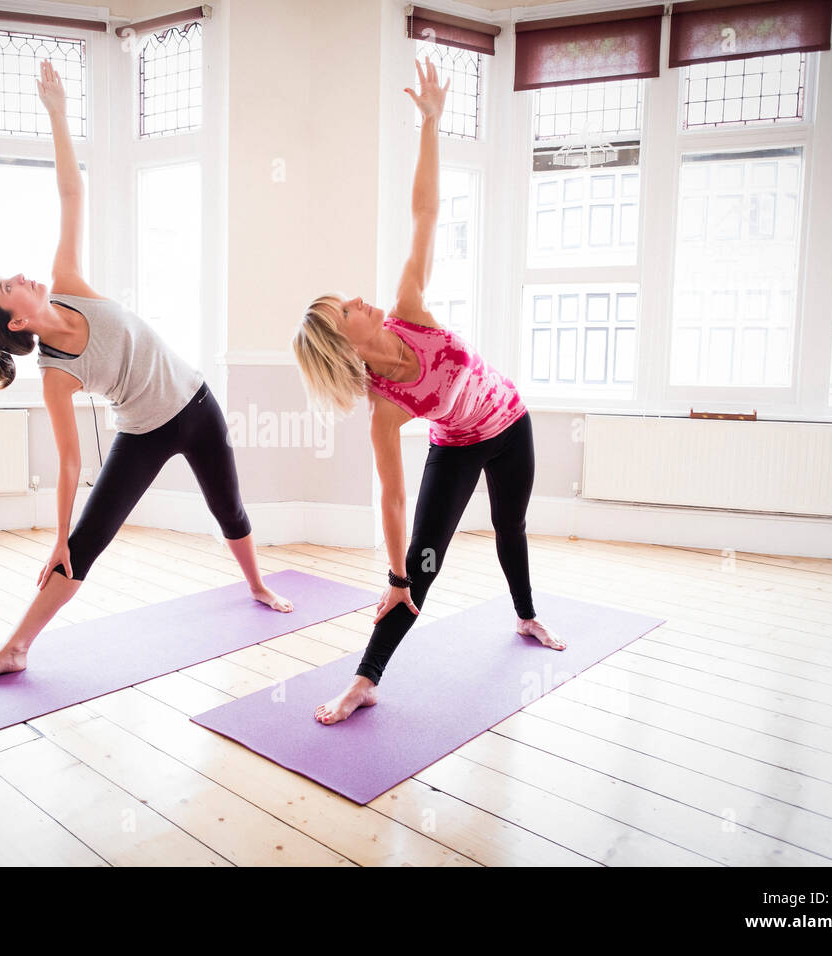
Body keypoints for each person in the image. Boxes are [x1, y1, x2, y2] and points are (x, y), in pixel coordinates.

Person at [0, 60, 292, 693]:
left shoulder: (71, 285)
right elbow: (68, 463)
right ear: (17, 324)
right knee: (86, 543)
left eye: (8, 274)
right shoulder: (56, 374)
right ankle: (15, 648)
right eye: (7, 287)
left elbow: (70, 193)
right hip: (144, 432)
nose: (20, 275)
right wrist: (58, 538)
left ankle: (256, 583)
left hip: (197, 402)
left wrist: (56, 112)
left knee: (229, 508)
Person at [291, 58, 565, 726]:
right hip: (459, 445)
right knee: (422, 564)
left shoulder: (408, 308)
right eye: (344, 310)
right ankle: (365, 678)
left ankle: (526, 615)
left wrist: (432, 123)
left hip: (512, 425)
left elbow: (425, 212)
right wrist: (393, 572)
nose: (358, 298)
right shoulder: (385, 406)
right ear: (347, 344)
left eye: (347, 298)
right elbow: (389, 494)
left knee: (509, 528)